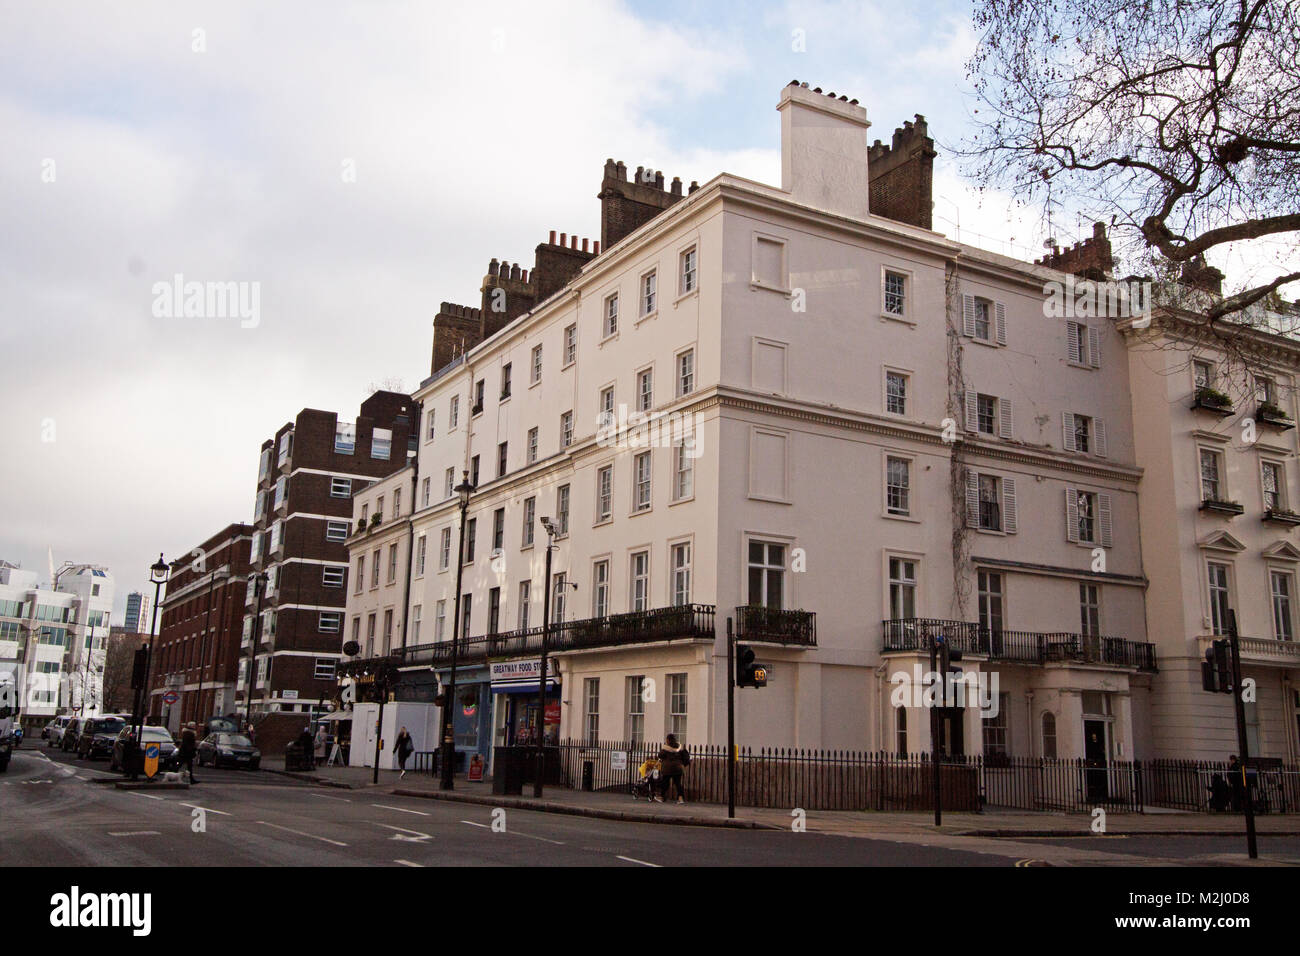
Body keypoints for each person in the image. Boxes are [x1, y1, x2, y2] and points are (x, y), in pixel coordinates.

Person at [655, 734, 690, 804]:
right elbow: (686, 757)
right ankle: (681, 798)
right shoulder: (679, 747)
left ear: (667, 740)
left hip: (667, 769)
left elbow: (660, 755)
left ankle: (662, 797)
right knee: (678, 784)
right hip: (678, 768)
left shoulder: (666, 748)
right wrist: (682, 764)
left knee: (665, 783)